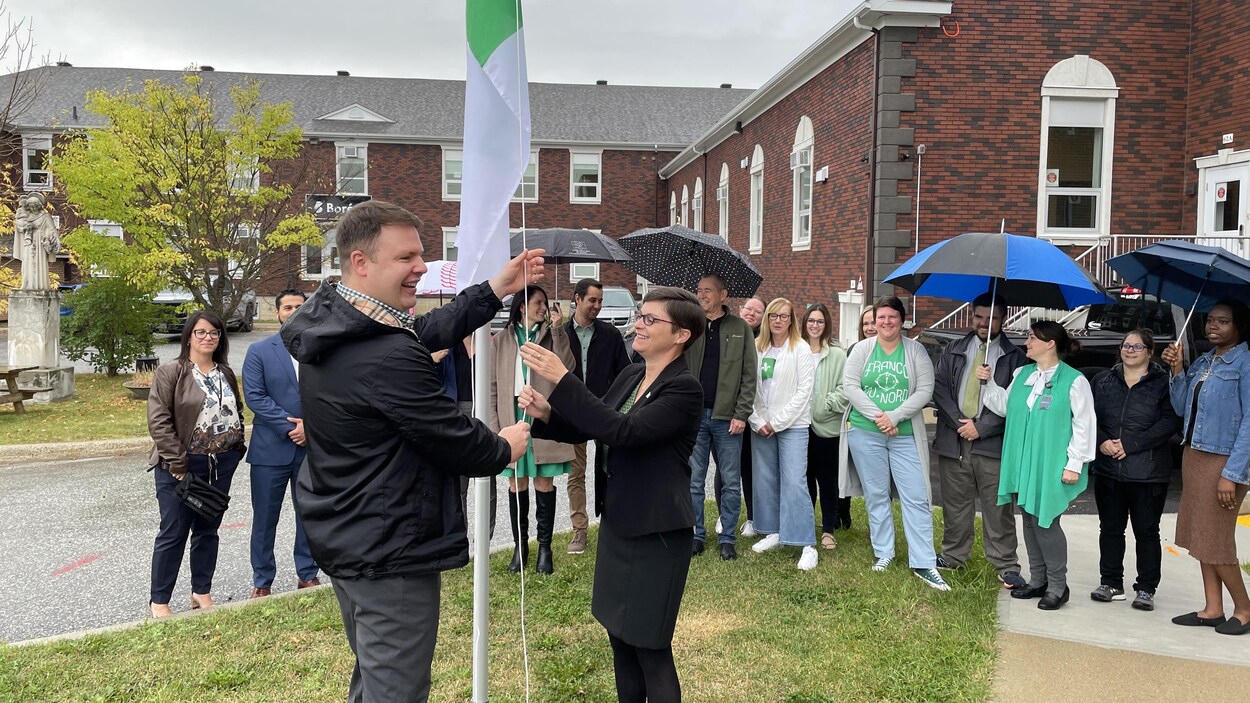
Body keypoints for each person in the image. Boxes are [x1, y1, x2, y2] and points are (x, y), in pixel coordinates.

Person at [280, 200, 535, 701]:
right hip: (389, 549)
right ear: (360, 262)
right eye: (406, 257)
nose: (421, 266)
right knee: (396, 690)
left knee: (374, 680)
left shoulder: (332, 327)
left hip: (351, 537)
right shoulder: (385, 355)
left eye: (421, 254)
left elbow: (419, 333)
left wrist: (493, 291)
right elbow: (455, 442)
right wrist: (503, 446)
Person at [517, 287, 705, 703]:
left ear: (681, 335)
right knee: (619, 637)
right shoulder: (634, 373)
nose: (639, 323)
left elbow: (625, 433)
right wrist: (548, 414)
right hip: (621, 523)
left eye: (651, 320)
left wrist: (563, 379)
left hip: (656, 532)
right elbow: (595, 423)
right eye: (641, 315)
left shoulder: (684, 389)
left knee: (650, 647)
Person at [979, 320, 1096, 611]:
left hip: (1051, 462)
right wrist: (988, 383)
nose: (1026, 342)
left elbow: (1084, 425)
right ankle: (1038, 579)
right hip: (1023, 460)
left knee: (1046, 521)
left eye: (1032, 337)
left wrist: (1075, 463)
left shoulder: (1074, 380)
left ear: (1049, 343)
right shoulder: (1023, 374)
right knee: (1029, 518)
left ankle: (1058, 585)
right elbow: (1005, 406)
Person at [840, 297, 948, 591]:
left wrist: (895, 416)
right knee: (876, 496)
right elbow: (850, 386)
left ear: (903, 320)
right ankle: (884, 552)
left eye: (892, 317)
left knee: (916, 495)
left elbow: (926, 390)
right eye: (881, 318)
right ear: (873, 322)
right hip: (866, 432)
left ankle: (924, 562)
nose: (886, 322)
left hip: (905, 435)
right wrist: (879, 417)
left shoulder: (916, 351)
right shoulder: (863, 349)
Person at [146, 312, 245, 618]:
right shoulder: (171, 373)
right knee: (174, 532)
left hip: (220, 465)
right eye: (201, 332)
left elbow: (236, 410)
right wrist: (177, 462)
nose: (208, 337)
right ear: (189, 336)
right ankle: (159, 601)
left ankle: (201, 592)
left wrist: (236, 450)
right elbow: (159, 421)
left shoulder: (225, 373)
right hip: (180, 466)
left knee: (207, 531)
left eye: (214, 333)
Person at [1161, 300, 1250, 635]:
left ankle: (1244, 608)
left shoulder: (1245, 364)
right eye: (1210, 320)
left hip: (1224, 460)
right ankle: (1213, 608)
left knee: (1215, 539)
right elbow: (1182, 408)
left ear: (1239, 326)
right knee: (1199, 536)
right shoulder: (1204, 361)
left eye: (1223, 321)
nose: (1213, 326)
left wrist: (1233, 473)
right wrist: (1178, 371)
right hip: (1194, 457)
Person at [930, 293, 1027, 589]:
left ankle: (1005, 563)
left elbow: (1018, 404)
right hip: (955, 438)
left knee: (998, 506)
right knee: (955, 503)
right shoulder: (954, 350)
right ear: (972, 316)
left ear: (1003, 319)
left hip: (993, 444)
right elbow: (940, 390)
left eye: (992, 318)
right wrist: (962, 423)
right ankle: (953, 555)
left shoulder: (1016, 358)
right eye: (979, 317)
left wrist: (981, 428)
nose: (985, 323)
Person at [1090, 328, 1181, 611]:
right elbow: (1087, 417)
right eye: (1126, 345)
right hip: (1108, 469)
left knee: (1147, 531)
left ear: (1150, 352)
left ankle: (1146, 588)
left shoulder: (1164, 383)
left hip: (1148, 472)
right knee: (1111, 529)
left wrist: (1130, 444)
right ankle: (1111, 582)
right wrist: (1102, 442)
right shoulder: (1103, 380)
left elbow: (1170, 422)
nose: (1130, 350)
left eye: (1137, 346)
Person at [490, 285, 576, 575]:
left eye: (545, 302)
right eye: (539, 302)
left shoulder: (552, 336)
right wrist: (494, 428)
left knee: (543, 482)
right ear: (523, 307)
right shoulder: (500, 340)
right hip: (511, 417)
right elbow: (491, 388)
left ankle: (544, 549)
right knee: (516, 482)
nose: (544, 307)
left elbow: (569, 367)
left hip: (542, 415)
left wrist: (559, 330)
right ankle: (519, 547)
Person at [242, 289, 320, 598]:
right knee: (265, 519)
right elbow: (255, 397)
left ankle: (307, 573)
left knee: (309, 516)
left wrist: (311, 427)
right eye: (287, 307)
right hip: (269, 450)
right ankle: (263, 580)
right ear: (277, 313)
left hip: (311, 450)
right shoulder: (259, 351)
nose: (293, 311)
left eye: (299, 306)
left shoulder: (320, 350)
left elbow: (331, 394)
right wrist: (291, 427)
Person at [685, 274, 757, 560]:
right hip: (694, 417)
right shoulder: (691, 326)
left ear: (723, 295)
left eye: (707, 291)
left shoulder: (740, 328)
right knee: (694, 480)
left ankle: (727, 537)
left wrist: (741, 413)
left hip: (728, 419)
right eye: (699, 290)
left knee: (729, 481)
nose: (701, 295)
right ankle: (695, 534)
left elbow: (749, 376)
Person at [564, 278, 634, 555]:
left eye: (600, 301)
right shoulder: (559, 334)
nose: (597, 306)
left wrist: (616, 405)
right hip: (573, 415)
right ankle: (579, 530)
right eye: (593, 300)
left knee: (611, 469)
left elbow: (625, 374)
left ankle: (613, 524)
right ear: (578, 299)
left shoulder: (611, 335)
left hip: (606, 412)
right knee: (575, 474)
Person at [749, 298, 819, 570]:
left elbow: (804, 393)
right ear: (766, 319)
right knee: (765, 479)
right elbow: (749, 388)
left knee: (794, 481)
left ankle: (806, 543)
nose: (778, 320)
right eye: (773, 316)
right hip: (761, 425)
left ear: (792, 321)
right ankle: (774, 531)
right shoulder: (757, 349)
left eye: (784, 316)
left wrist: (776, 422)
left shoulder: (800, 350)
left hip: (793, 425)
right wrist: (756, 419)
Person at [802, 303, 849, 550]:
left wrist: (826, 404)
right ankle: (808, 526)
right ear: (804, 322)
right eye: (811, 320)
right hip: (799, 425)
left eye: (820, 321)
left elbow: (846, 389)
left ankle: (828, 530)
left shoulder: (837, 355)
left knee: (827, 480)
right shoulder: (796, 350)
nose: (815, 325)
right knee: (805, 478)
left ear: (827, 324)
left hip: (826, 426)